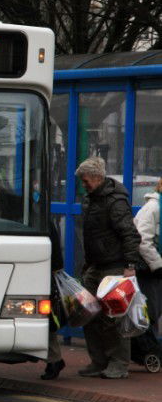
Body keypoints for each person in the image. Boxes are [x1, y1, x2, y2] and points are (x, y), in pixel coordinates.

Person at [75, 156, 141, 379]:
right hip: (95, 265)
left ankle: (118, 363)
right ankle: (98, 360)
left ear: (97, 177)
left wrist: (130, 265)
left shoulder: (115, 201)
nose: (83, 184)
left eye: (85, 180)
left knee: (114, 317)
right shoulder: (91, 199)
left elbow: (130, 234)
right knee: (88, 313)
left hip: (114, 266)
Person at [131, 178, 162, 330]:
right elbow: (142, 240)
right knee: (150, 313)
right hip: (149, 270)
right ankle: (147, 344)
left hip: (156, 269)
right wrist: (158, 265)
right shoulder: (153, 208)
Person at [41, 219, 65, 380]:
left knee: (45, 316)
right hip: (43, 271)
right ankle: (54, 359)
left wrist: (55, 269)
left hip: (42, 272)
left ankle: (54, 359)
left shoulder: (39, 216)